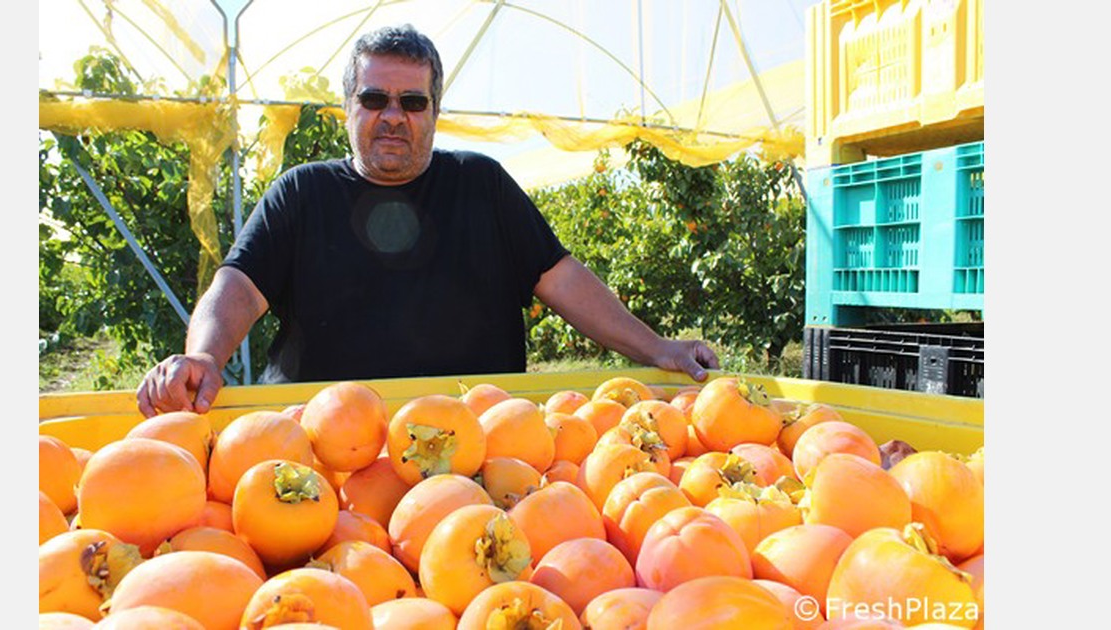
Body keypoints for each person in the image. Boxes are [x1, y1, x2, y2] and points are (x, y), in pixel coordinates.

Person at [136, 24, 718, 417]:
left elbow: (562, 278)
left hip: (472, 441)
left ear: (435, 111)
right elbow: (236, 285)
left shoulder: (482, 186)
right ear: (348, 108)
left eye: (412, 102)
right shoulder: (303, 192)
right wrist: (206, 356)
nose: (394, 116)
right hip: (320, 442)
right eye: (375, 99)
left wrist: (656, 348)